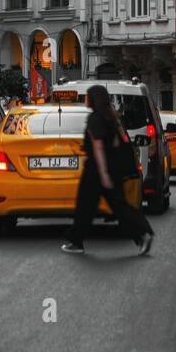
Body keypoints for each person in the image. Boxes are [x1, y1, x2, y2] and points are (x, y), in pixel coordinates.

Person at [62, 84, 154, 256]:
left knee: (84, 206)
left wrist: (103, 174)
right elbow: (116, 143)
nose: (86, 100)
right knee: (120, 205)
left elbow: (98, 147)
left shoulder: (94, 119)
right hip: (113, 168)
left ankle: (76, 242)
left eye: (88, 96)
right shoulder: (111, 117)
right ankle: (142, 234)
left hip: (96, 171)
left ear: (94, 99)